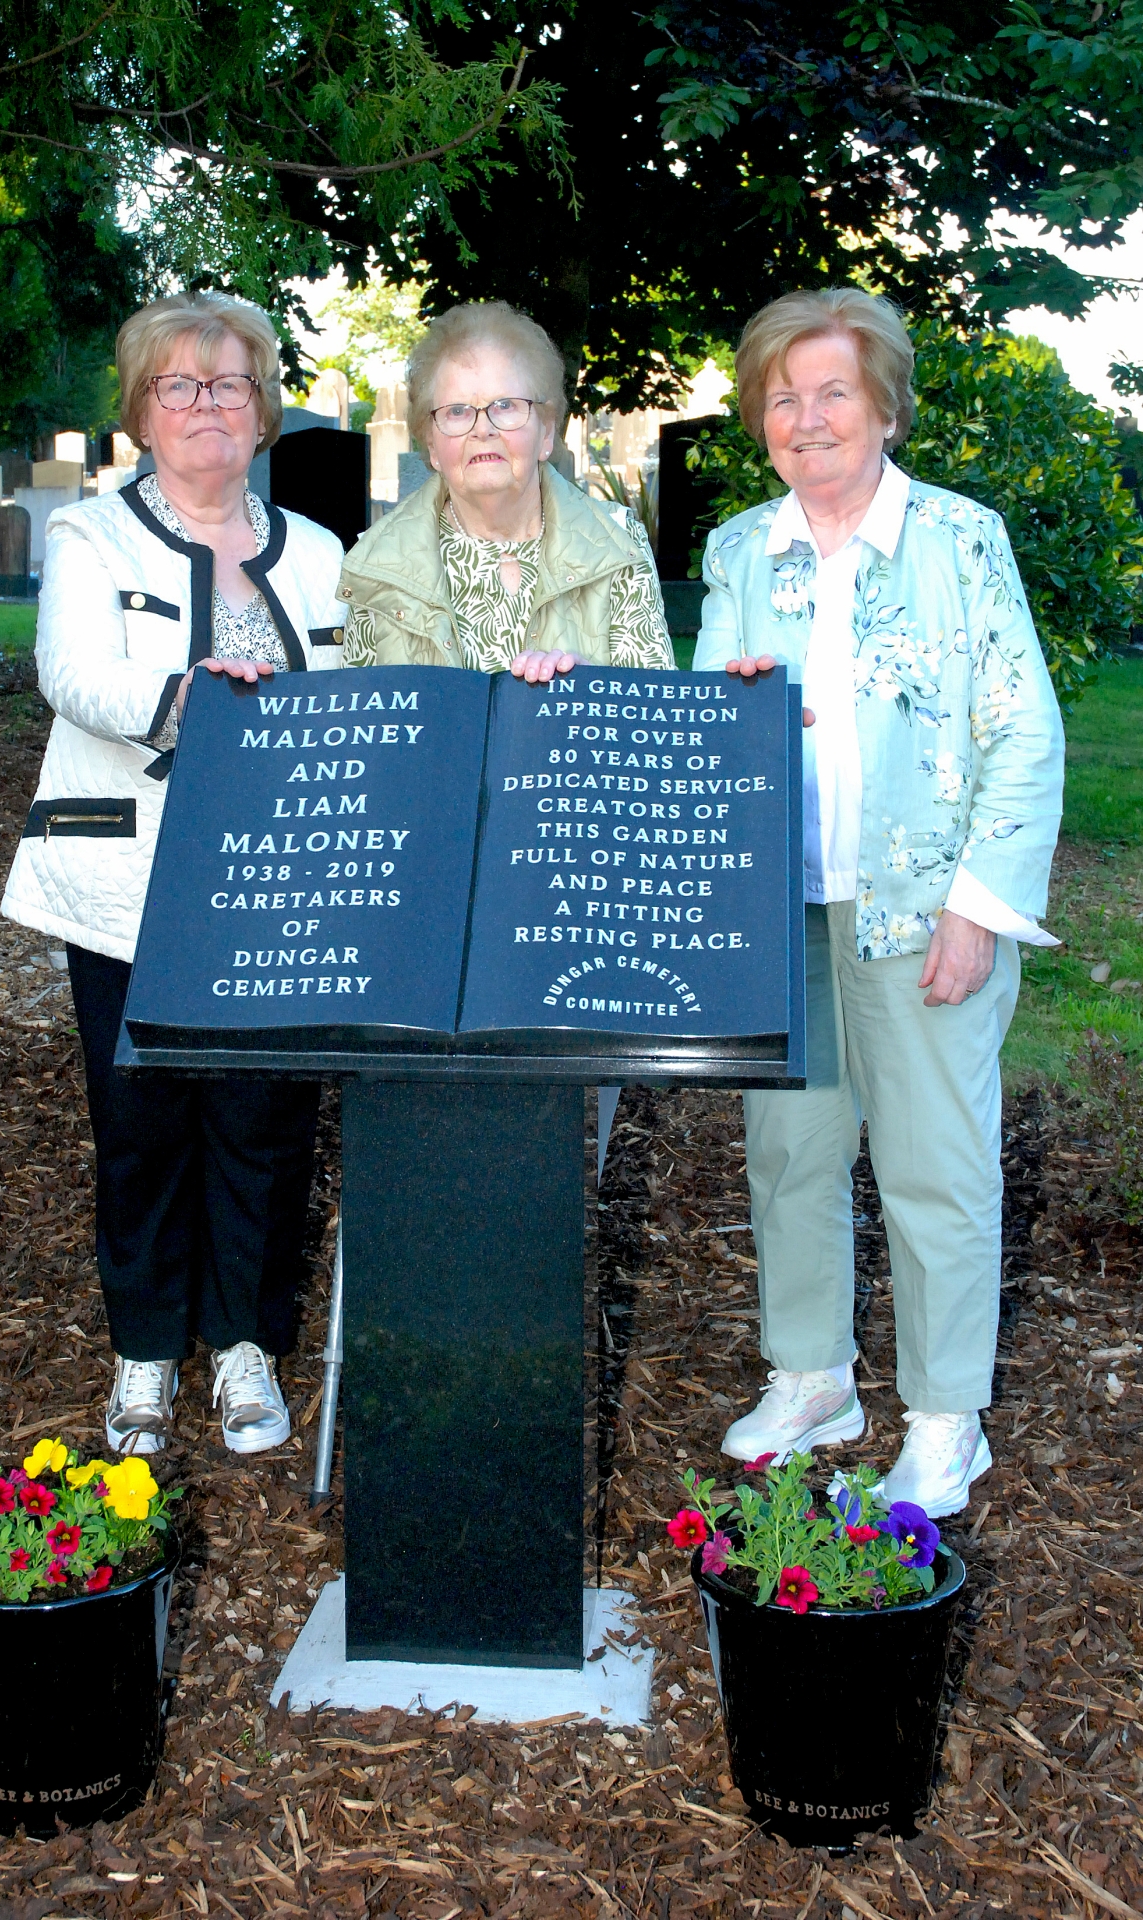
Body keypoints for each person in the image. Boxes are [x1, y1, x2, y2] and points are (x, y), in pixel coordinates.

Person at [693, 288, 1064, 1517]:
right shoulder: (742, 549)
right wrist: (729, 696)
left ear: (885, 406)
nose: (806, 417)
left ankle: (946, 1415)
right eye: (782, 398)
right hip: (784, 910)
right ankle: (813, 1380)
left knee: (934, 1168)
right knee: (789, 1156)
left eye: (832, 391)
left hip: (923, 912)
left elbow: (1025, 735)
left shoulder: (962, 540)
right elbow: (706, 717)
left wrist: (980, 905)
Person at [2, 291, 347, 1458]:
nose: (207, 406)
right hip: (128, 878)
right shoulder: (91, 537)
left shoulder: (321, 555)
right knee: (140, 1121)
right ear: (144, 411)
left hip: (282, 888)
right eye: (179, 386)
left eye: (232, 385)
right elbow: (72, 672)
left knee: (261, 1120)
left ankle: (244, 1345)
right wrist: (182, 707)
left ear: (264, 411)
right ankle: (146, 1354)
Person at [340, 300, 673, 677]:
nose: (483, 429)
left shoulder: (618, 541)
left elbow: (653, 718)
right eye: (457, 411)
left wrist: (589, 689)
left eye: (506, 405)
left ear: (546, 432)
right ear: (432, 445)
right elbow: (364, 728)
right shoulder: (379, 560)